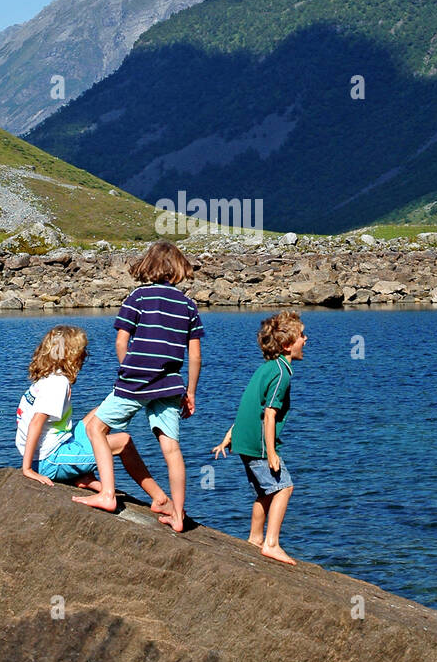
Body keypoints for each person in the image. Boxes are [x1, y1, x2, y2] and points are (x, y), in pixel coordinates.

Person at [84, 240, 203, 531]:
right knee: (172, 449)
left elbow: (121, 341)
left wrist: (127, 369)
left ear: (147, 265)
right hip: (170, 384)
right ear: (177, 268)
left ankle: (107, 494)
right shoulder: (188, 305)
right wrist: (190, 392)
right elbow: (195, 355)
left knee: (95, 428)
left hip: (135, 379)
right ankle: (177, 515)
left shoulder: (136, 297)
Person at [17, 324, 169, 508]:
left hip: (48, 451)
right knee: (123, 441)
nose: (85, 355)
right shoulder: (57, 384)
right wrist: (27, 470)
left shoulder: (47, 378)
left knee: (101, 413)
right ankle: (158, 498)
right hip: (50, 460)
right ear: (71, 355)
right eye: (82, 350)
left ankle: (84, 477)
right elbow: (35, 423)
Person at [212, 311, 307, 565]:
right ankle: (271, 543)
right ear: (287, 344)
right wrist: (272, 452)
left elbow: (248, 406)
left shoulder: (266, 368)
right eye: (302, 336)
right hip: (260, 445)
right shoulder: (282, 373)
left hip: (245, 441)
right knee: (284, 487)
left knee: (265, 492)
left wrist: (229, 437)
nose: (306, 340)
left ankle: (255, 538)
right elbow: (269, 413)